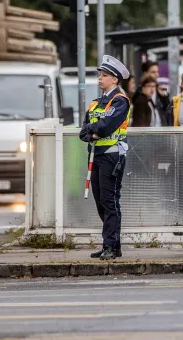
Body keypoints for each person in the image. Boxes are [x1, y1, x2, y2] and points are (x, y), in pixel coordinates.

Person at [79, 55, 132, 260]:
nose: (100, 78)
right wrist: (92, 132)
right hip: (96, 156)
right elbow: (84, 131)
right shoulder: (96, 103)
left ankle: (110, 245)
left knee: (110, 202)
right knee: (100, 201)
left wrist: (93, 131)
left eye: (104, 75)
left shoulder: (120, 101)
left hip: (112, 155)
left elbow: (106, 126)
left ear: (115, 79)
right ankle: (112, 245)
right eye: (100, 75)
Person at [140, 61, 172, 125]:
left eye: (157, 72)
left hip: (161, 128)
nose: (156, 74)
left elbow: (168, 110)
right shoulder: (140, 93)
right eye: (153, 72)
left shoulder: (160, 90)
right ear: (145, 74)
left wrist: (164, 97)